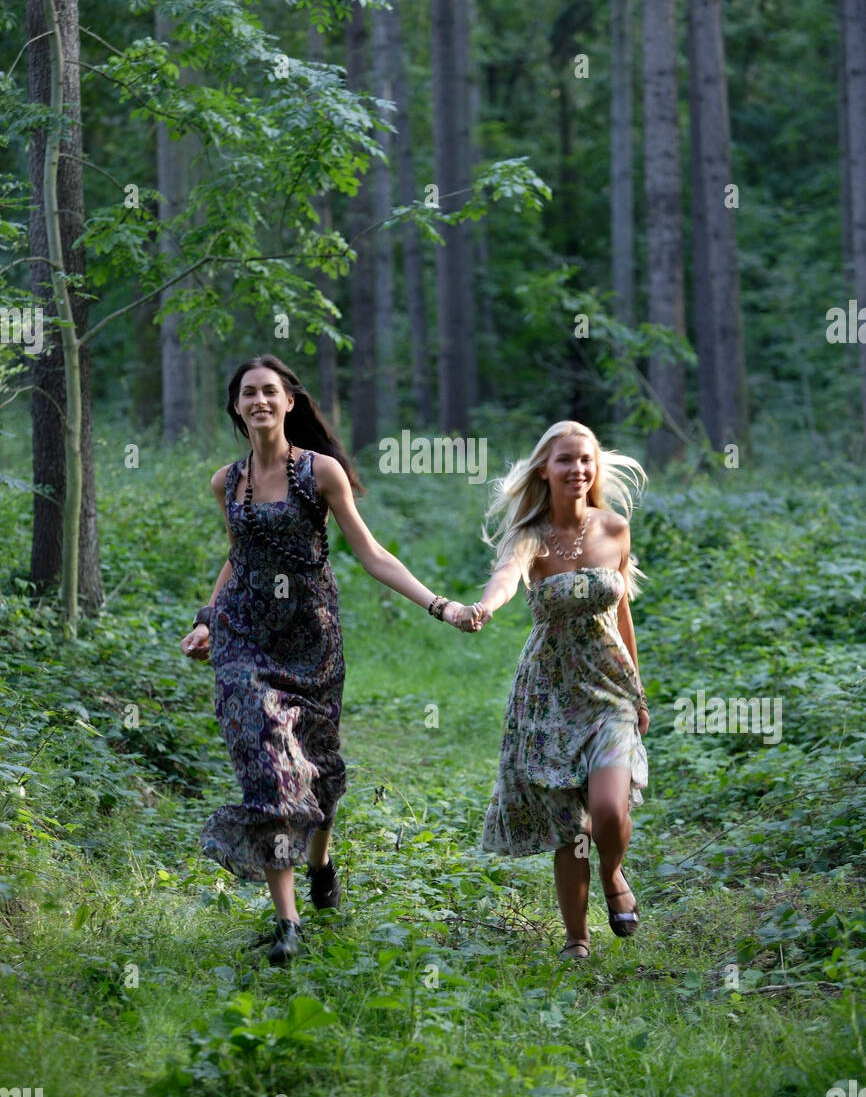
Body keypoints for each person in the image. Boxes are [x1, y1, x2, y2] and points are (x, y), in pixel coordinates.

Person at [180, 354, 483, 964]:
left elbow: (371, 554)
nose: (259, 401)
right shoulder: (226, 482)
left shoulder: (321, 474)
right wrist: (206, 619)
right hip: (244, 637)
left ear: (289, 401)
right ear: (236, 408)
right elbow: (238, 555)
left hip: (311, 640)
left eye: (270, 391)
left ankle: (320, 861)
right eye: (248, 393)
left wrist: (440, 605)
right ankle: (287, 922)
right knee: (270, 766)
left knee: (319, 768)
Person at [470, 421, 650, 962]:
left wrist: (637, 691)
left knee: (608, 809)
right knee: (568, 824)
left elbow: (622, 612)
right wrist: (486, 606)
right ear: (544, 469)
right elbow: (506, 576)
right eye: (566, 460)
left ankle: (613, 872)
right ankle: (576, 939)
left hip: (608, 689)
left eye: (586, 460)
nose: (578, 469)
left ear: (596, 468)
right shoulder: (530, 536)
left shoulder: (614, 530)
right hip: (547, 695)